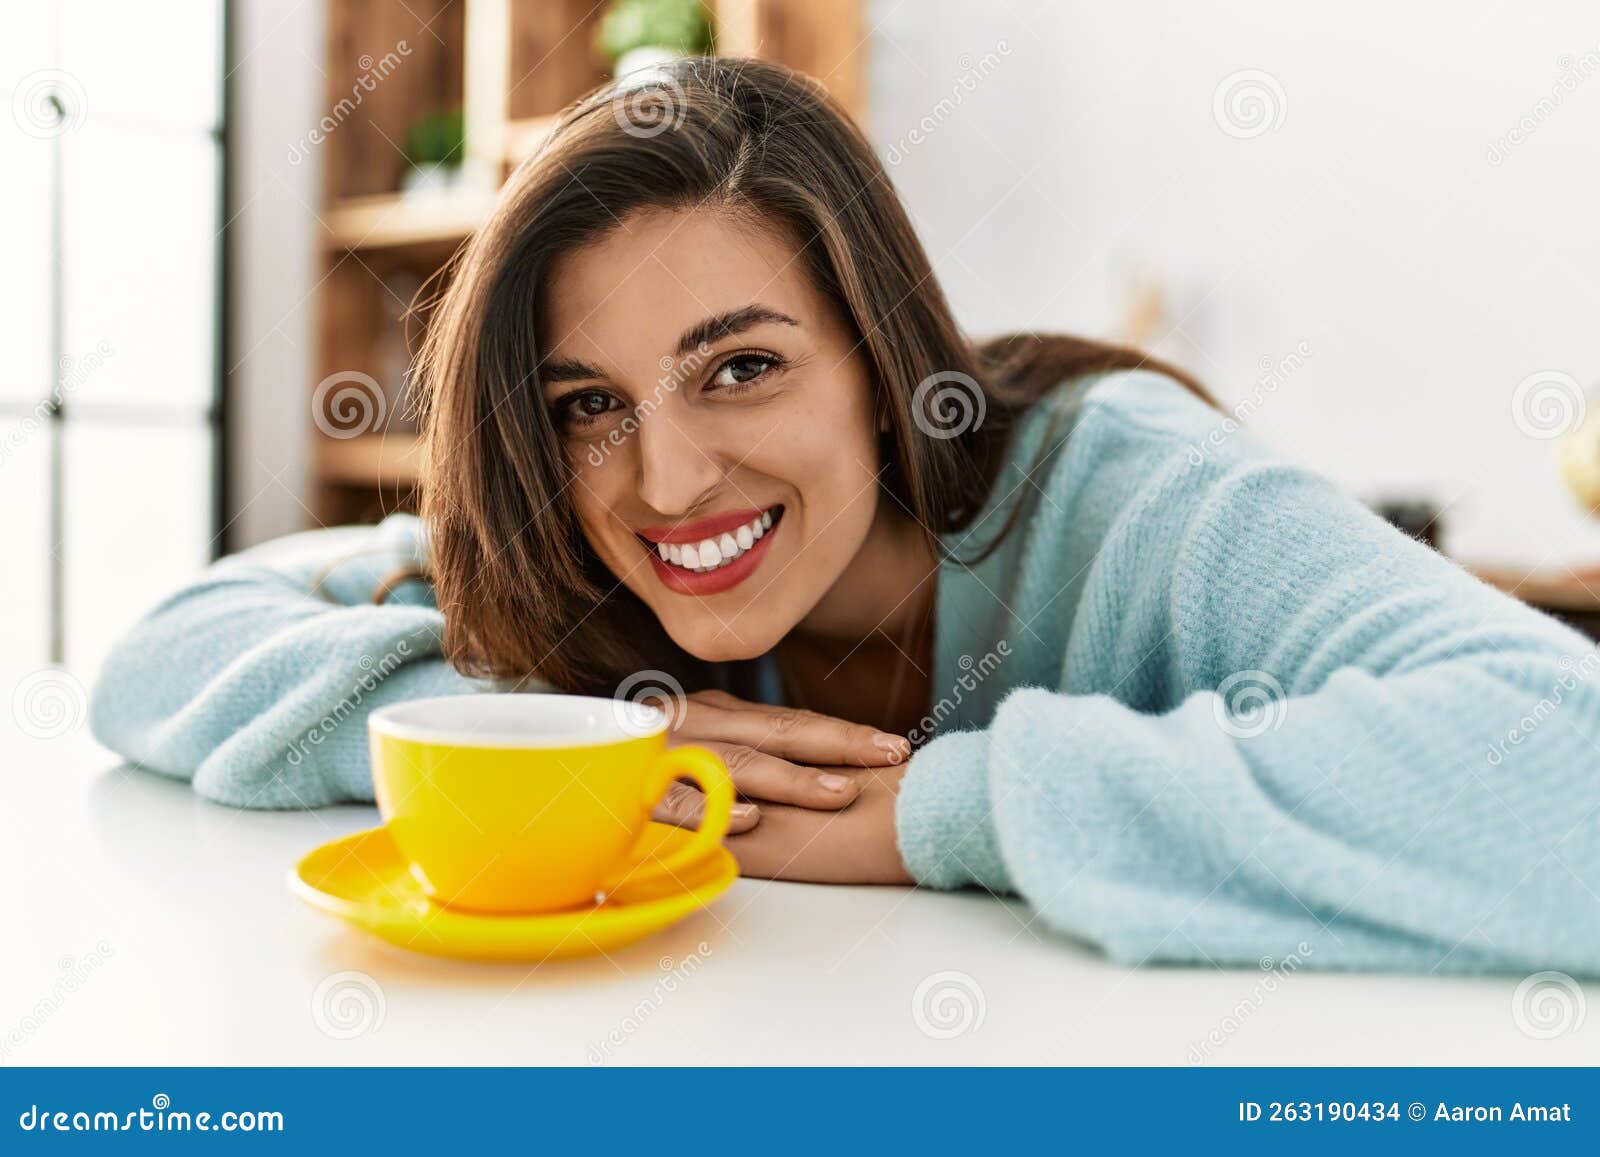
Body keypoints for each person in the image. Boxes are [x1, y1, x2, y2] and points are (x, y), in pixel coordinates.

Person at [92, 57, 1600, 974]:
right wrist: (539, 751)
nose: (667, 482)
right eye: (585, 405)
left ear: (884, 363)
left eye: (741, 365)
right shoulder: (574, 576)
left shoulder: (1130, 490)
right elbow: (164, 652)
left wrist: (946, 814)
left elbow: (1568, 777)